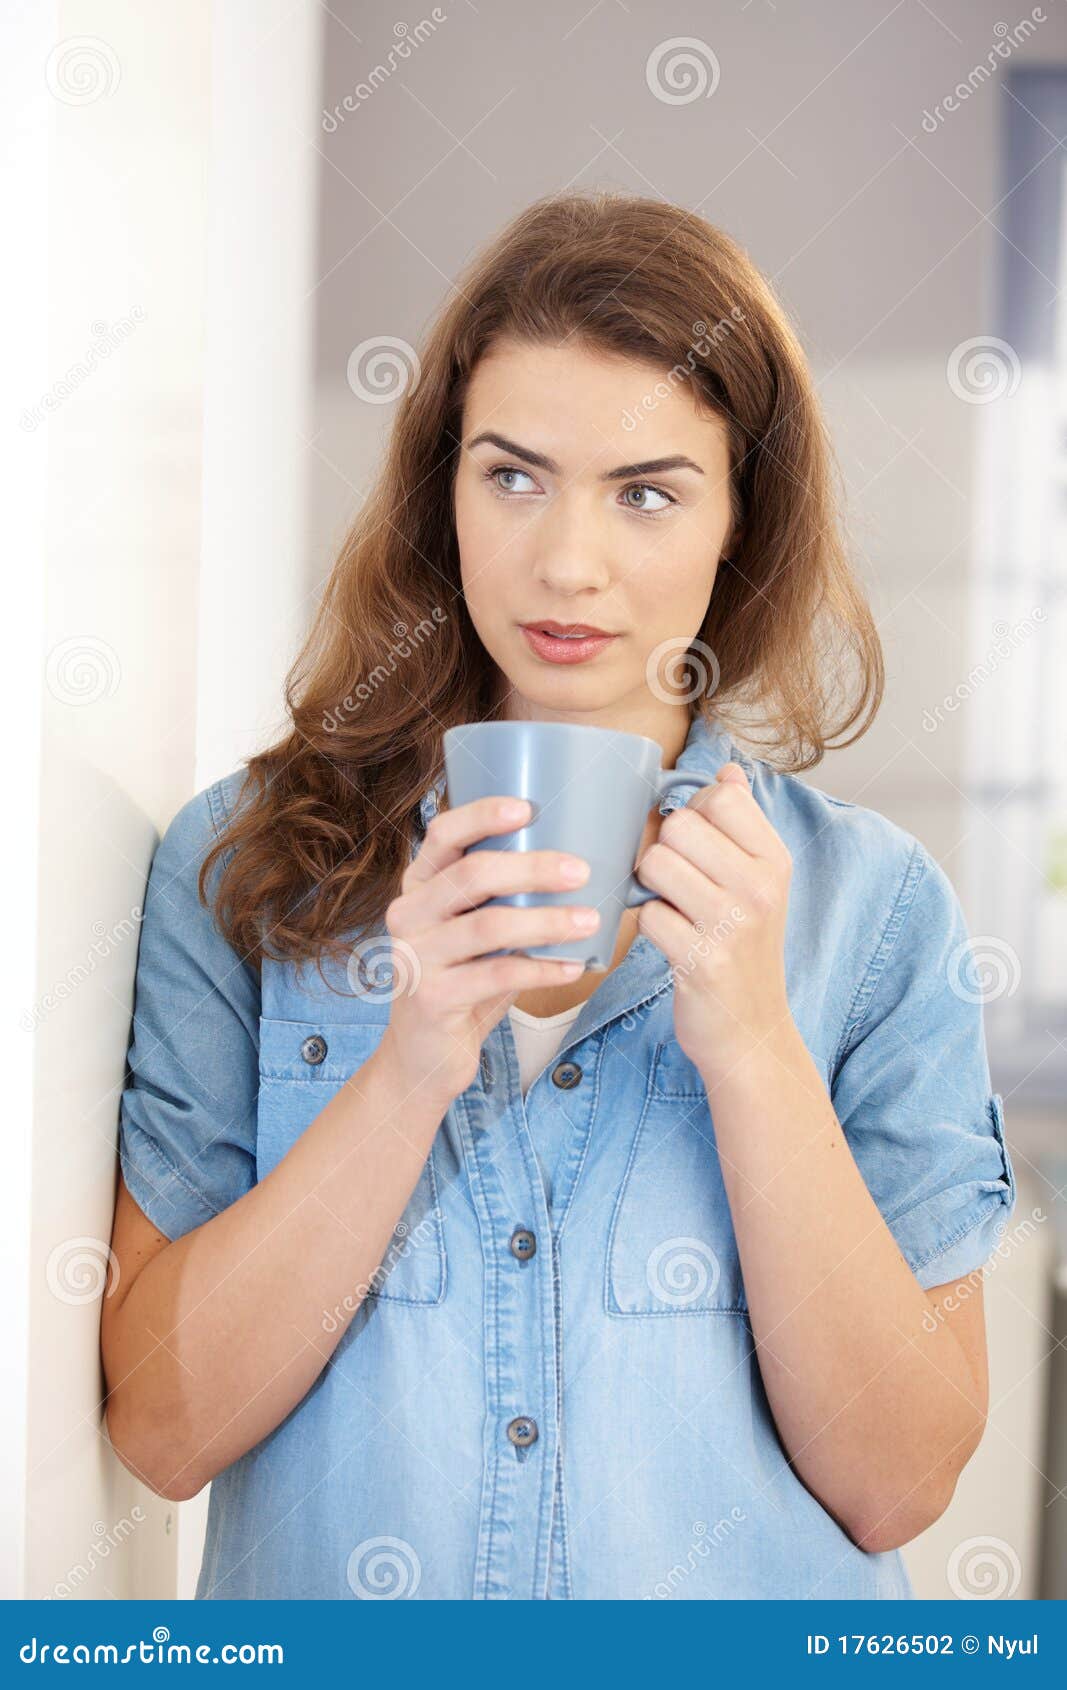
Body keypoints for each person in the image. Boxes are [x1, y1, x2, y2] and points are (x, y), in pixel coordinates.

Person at [101, 190, 1015, 1600]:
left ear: (738, 522)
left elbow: (898, 1477)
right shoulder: (247, 862)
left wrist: (760, 1051)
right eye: (512, 476)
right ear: (441, 490)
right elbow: (160, 1428)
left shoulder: (877, 910)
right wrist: (410, 1065)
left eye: (649, 491)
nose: (567, 563)